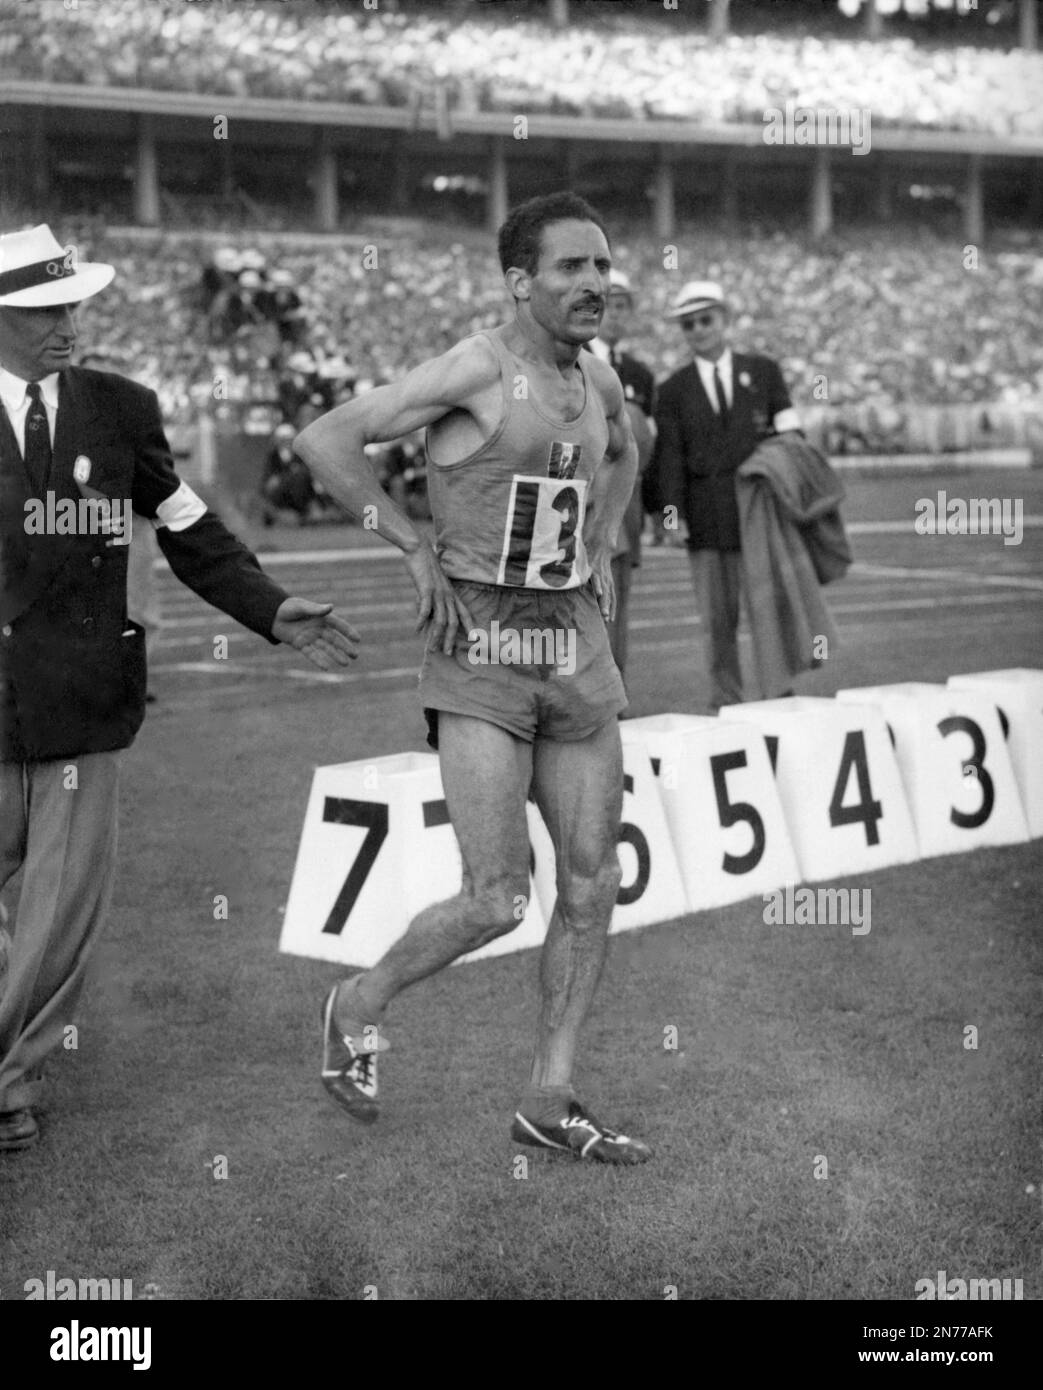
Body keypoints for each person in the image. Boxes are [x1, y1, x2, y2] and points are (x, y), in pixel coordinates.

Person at [295, 191, 651, 1164]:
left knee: (591, 882)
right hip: (484, 653)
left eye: (601, 265)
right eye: (570, 267)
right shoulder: (473, 369)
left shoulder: (601, 381)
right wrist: (408, 545)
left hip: (574, 651)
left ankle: (549, 1092)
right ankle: (358, 999)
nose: (593, 283)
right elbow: (325, 439)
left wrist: (608, 537)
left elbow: (631, 447)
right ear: (516, 282)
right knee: (497, 894)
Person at [0, 224, 360, 1152]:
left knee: (59, 915)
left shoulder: (121, 407)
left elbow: (187, 525)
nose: (68, 324)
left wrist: (270, 608)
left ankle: (9, 1077)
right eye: (45, 309)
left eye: (72, 304)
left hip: (81, 700)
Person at [648, 280, 801, 711]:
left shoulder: (765, 371)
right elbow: (670, 459)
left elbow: (791, 434)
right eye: (689, 324)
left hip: (760, 515)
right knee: (717, 622)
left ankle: (779, 696)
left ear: (725, 320)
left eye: (706, 320)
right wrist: (672, 515)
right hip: (707, 519)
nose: (698, 330)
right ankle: (725, 703)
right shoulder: (673, 389)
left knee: (769, 613)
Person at [585, 269, 655, 683]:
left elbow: (648, 449)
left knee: (618, 601)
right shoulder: (571, 358)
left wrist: (662, 512)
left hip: (625, 504)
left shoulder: (641, 375)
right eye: (608, 304)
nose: (614, 315)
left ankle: (614, 691)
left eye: (623, 306)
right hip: (577, 502)